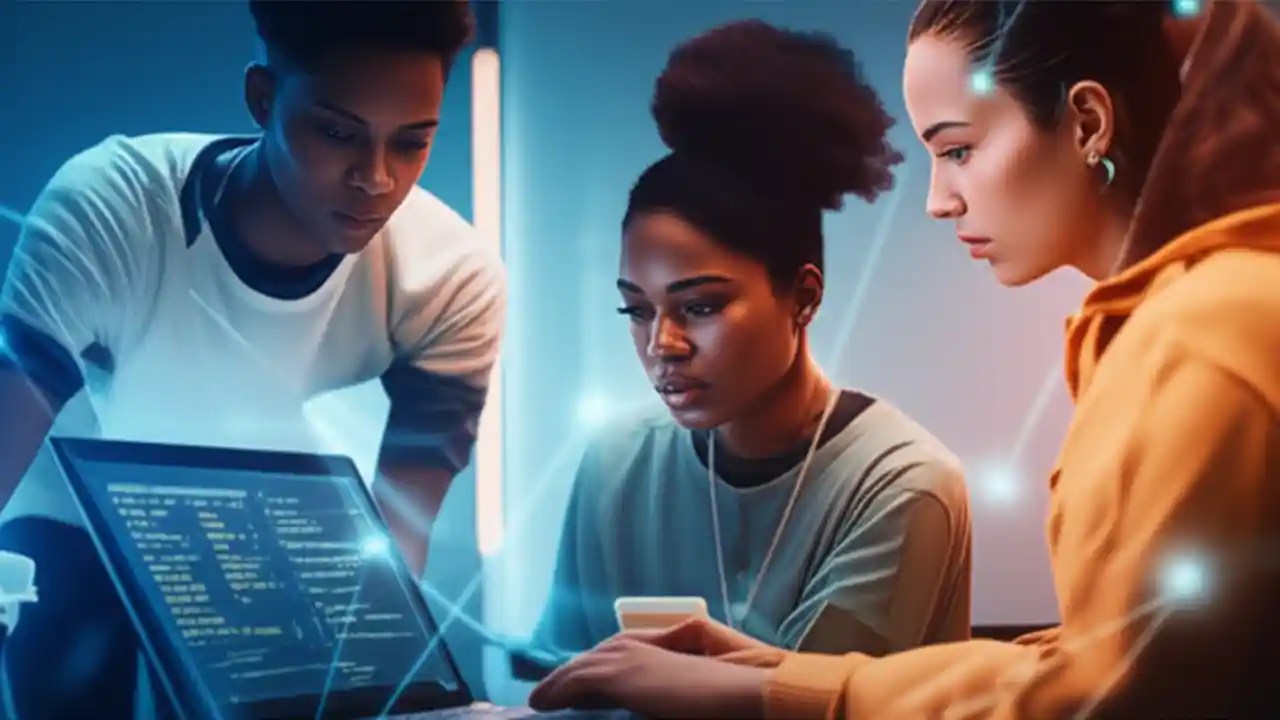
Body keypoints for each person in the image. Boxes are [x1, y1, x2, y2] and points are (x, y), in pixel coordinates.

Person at [526, 0, 1280, 717]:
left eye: (958, 150)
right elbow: (1113, 658)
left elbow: (1112, 699)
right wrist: (782, 673)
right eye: (636, 308)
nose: (938, 201)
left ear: (1086, 121)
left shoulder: (1203, 336)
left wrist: (768, 697)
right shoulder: (1189, 315)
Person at [0, 2, 504, 717]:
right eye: (338, 132)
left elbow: (395, 551)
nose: (377, 179)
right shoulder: (113, 206)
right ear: (262, 98)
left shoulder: (451, 275)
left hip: (276, 527)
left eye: (411, 144)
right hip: (76, 510)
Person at [529, 19, 972, 667]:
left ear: (803, 296)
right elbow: (559, 685)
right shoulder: (613, 467)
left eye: (700, 306)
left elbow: (814, 706)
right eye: (636, 310)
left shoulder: (902, 484)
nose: (663, 344)